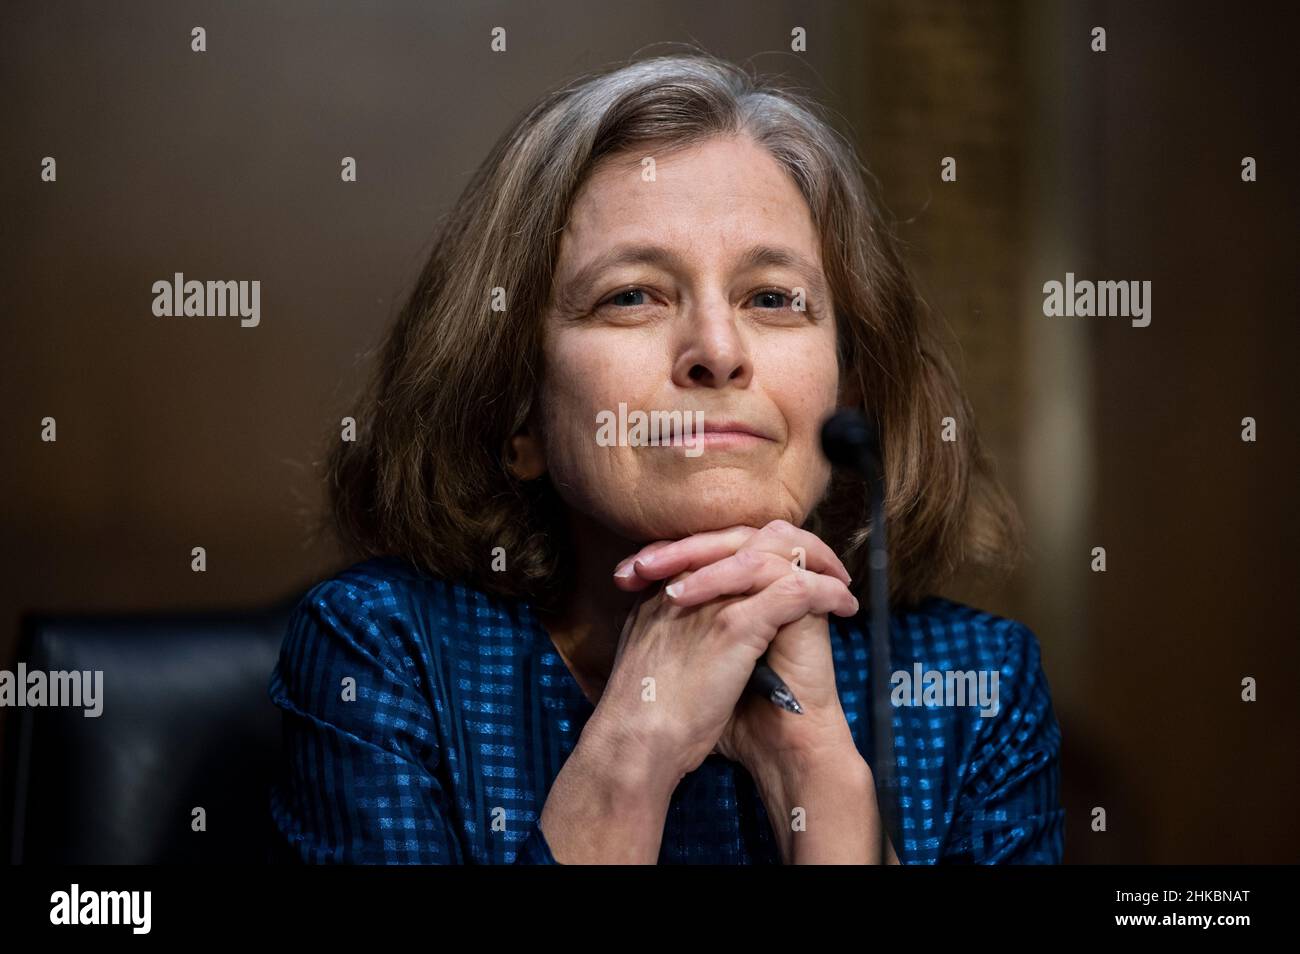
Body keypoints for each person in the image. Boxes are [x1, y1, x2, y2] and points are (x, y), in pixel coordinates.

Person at [267, 51, 1064, 864]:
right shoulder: (386, 652)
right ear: (516, 411)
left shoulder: (974, 685)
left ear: (847, 394)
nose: (717, 352)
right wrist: (634, 753)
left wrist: (822, 787)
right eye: (632, 296)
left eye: (772, 299)